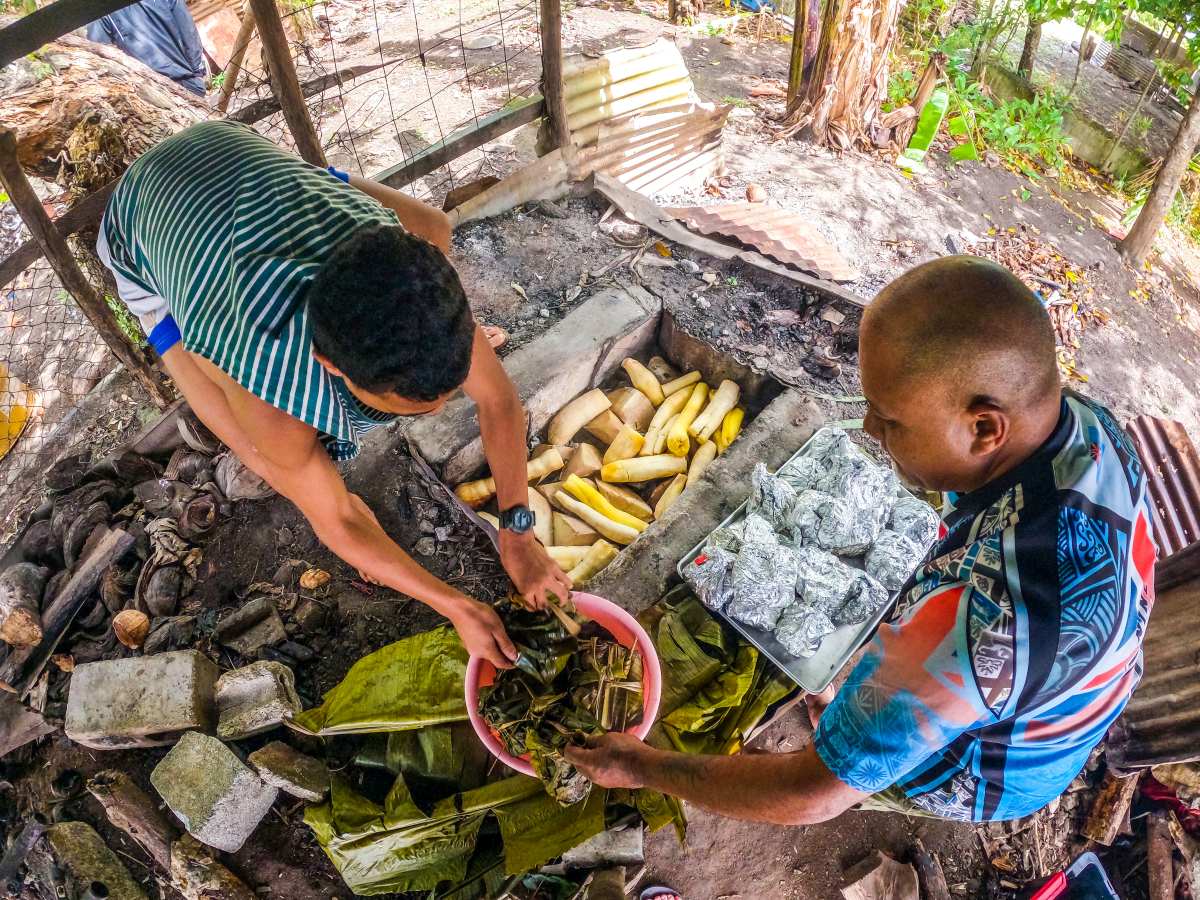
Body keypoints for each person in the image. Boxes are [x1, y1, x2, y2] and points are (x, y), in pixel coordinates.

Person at [568, 256, 1158, 824]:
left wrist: (639, 765)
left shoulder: (975, 626)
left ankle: (868, 741)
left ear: (984, 427)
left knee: (861, 768)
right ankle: (861, 716)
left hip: (991, 768)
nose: (871, 433)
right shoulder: (1086, 425)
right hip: (1074, 696)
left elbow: (811, 795)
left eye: (889, 419)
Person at [97, 120, 571, 668]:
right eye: (413, 407)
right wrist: (455, 605)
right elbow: (335, 520)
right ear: (328, 365)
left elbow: (498, 400)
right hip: (143, 218)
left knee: (433, 224)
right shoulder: (260, 366)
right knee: (264, 455)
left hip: (232, 151)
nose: (443, 408)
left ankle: (311, 183)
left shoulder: (419, 255)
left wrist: (516, 531)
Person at [87, 0, 208, 96]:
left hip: (155, 91)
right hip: (172, 87)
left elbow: (101, 54)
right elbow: (188, 31)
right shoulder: (101, 15)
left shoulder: (100, 13)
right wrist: (198, 71)